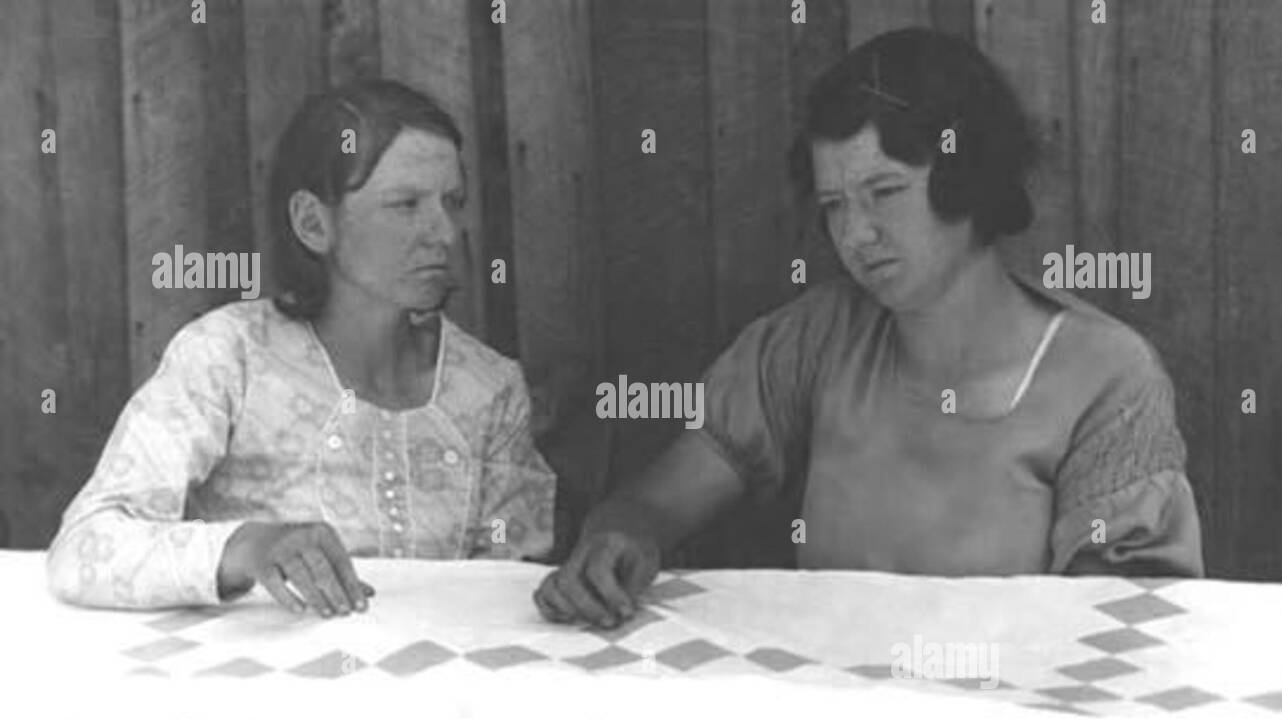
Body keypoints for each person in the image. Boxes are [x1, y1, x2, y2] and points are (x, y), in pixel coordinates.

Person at [534, 28, 1203, 629]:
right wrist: (622, 535)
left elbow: (1128, 630)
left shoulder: (1107, 376)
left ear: (968, 175)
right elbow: (662, 501)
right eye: (833, 206)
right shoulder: (814, 339)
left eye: (885, 193)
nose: (856, 234)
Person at [47, 80, 555, 616]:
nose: (445, 233)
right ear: (314, 223)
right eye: (405, 204)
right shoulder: (227, 358)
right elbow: (84, 546)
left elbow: (508, 583)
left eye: (452, 202)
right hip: (255, 686)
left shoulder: (489, 390)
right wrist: (246, 547)